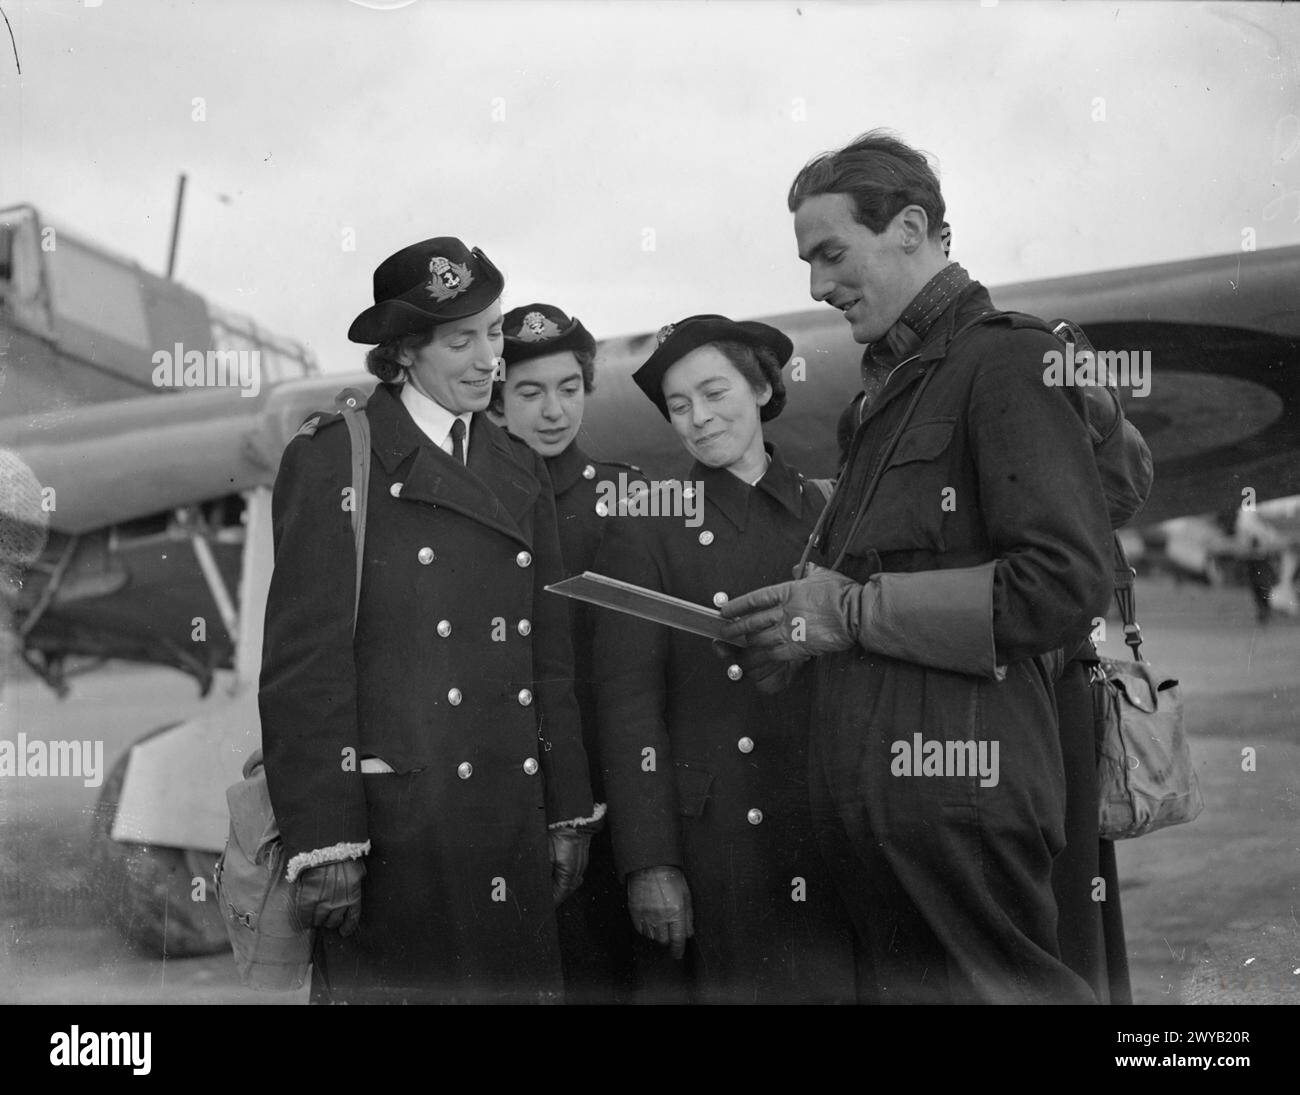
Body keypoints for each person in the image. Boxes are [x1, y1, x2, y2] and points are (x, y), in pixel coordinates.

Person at [719, 130, 1116, 1004]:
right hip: (887, 813)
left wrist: (847, 616)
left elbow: (1059, 583)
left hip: (958, 805)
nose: (817, 287)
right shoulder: (884, 395)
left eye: (831, 254)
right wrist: (804, 630)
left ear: (909, 227)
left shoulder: (1007, 359)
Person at [258, 237, 599, 1004]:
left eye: (494, 332)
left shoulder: (520, 466)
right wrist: (324, 842)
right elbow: (304, 669)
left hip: (509, 815)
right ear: (404, 351)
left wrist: (568, 808)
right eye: (461, 340)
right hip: (400, 831)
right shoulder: (335, 459)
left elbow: (549, 654)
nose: (489, 360)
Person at [593, 314, 856, 1005]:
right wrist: (650, 863)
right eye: (678, 406)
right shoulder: (648, 523)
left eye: (714, 393)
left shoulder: (830, 510)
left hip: (831, 831)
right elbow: (629, 712)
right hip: (718, 847)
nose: (697, 419)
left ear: (766, 388)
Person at [492, 302, 646, 1004]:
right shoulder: (475, 502)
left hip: (608, 802)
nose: (553, 410)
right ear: (496, 397)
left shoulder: (627, 498)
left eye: (569, 388)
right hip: (500, 799)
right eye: (529, 392)